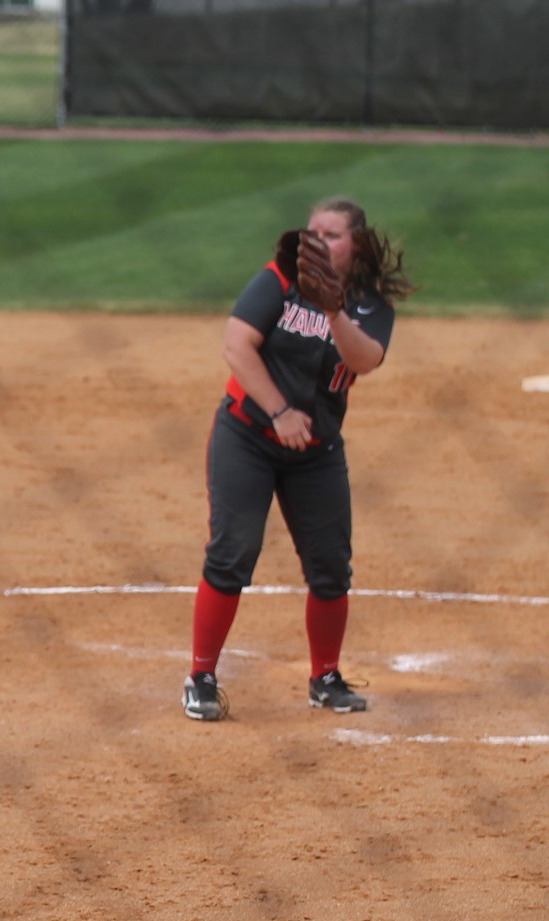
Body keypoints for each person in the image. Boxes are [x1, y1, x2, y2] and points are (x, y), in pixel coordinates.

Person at [182, 197, 413, 723]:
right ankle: (201, 676)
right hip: (248, 436)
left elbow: (365, 359)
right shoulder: (277, 280)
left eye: (333, 235)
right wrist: (280, 410)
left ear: (356, 246)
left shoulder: (367, 303)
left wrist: (333, 310)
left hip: (318, 453)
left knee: (331, 567)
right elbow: (236, 345)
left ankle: (325, 678)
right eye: (314, 232)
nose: (319, 241)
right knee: (232, 551)